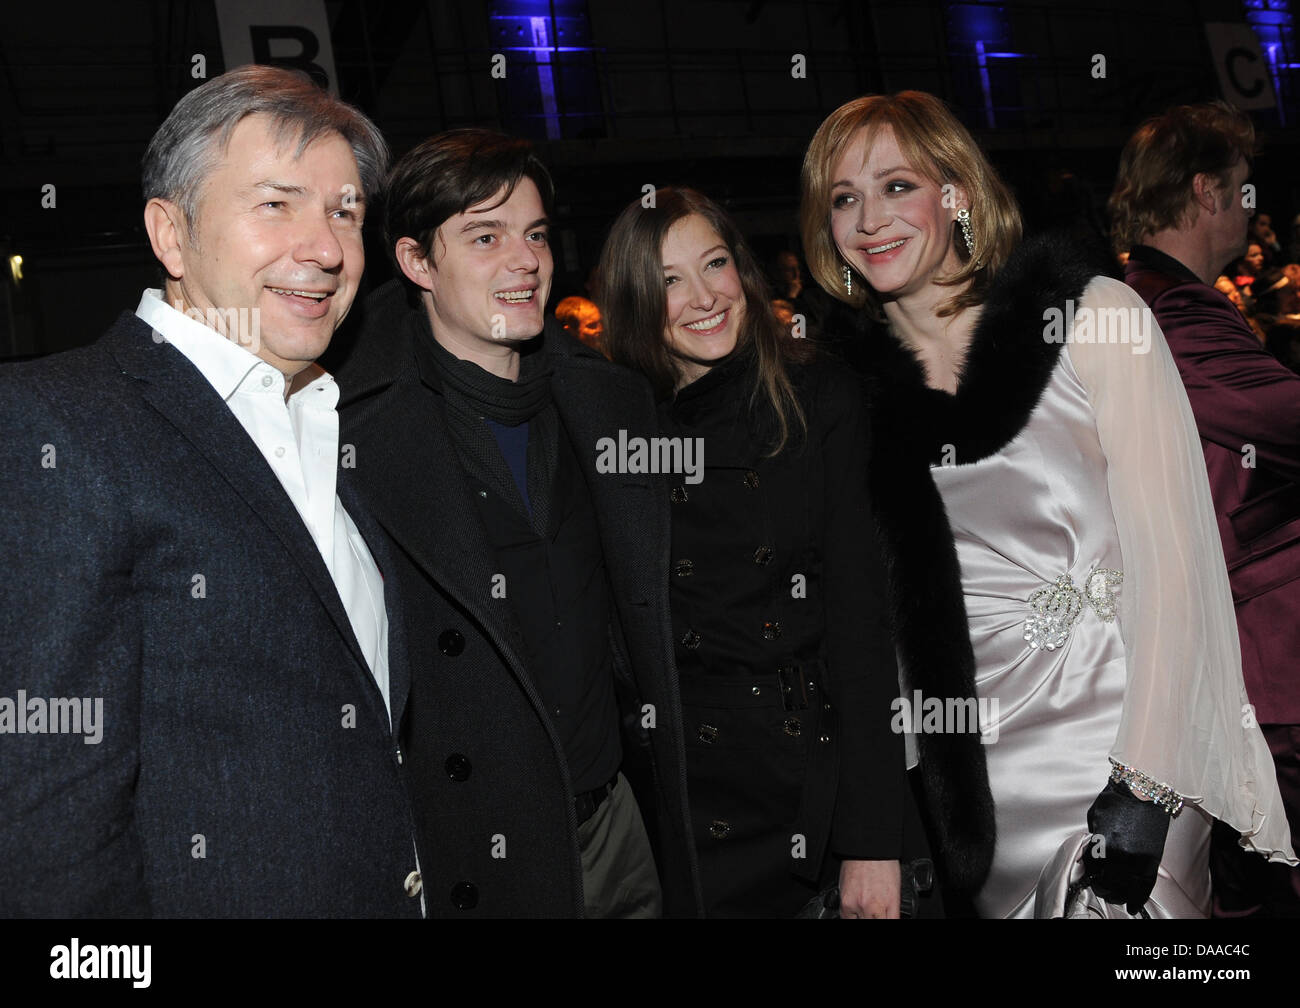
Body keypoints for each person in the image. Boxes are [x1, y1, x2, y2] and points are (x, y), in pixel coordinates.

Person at [799, 90, 1295, 918]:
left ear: (957, 193)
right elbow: (867, 622)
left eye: (896, 186)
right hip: (980, 784)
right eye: (843, 197)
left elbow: (1178, 572)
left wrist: (1146, 785)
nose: (868, 217)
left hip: (1131, 742)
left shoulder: (1096, 318)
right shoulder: (850, 396)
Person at [0, 66, 427, 916]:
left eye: (345, 210)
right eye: (276, 203)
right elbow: (42, 810)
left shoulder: (328, 425)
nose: (328, 247)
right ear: (171, 233)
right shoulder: (54, 422)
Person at [327, 130, 702, 917]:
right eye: (485, 237)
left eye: (533, 234)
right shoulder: (348, 436)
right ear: (416, 263)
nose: (525, 261)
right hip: (476, 851)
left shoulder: (612, 406)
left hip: (617, 826)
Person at [595, 186, 910, 918]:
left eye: (715, 264)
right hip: (679, 804)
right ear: (637, 300)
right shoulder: (615, 425)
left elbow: (863, 628)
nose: (704, 297)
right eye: (670, 281)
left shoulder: (816, 395)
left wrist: (872, 841)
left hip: (807, 792)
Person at [1111, 100, 1300, 916]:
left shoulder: (1167, 298)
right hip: (1262, 656)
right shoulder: (1166, 310)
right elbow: (1281, 417)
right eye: (1244, 190)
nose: (1252, 211)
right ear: (1207, 193)